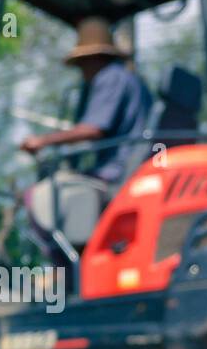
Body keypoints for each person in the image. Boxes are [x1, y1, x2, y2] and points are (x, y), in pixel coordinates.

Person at [20, 17, 153, 258]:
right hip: (130, 165)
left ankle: (70, 271)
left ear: (94, 59)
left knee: (39, 195)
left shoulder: (110, 77)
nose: (83, 73)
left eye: (82, 65)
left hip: (117, 171)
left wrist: (42, 141)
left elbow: (93, 129)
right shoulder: (133, 80)